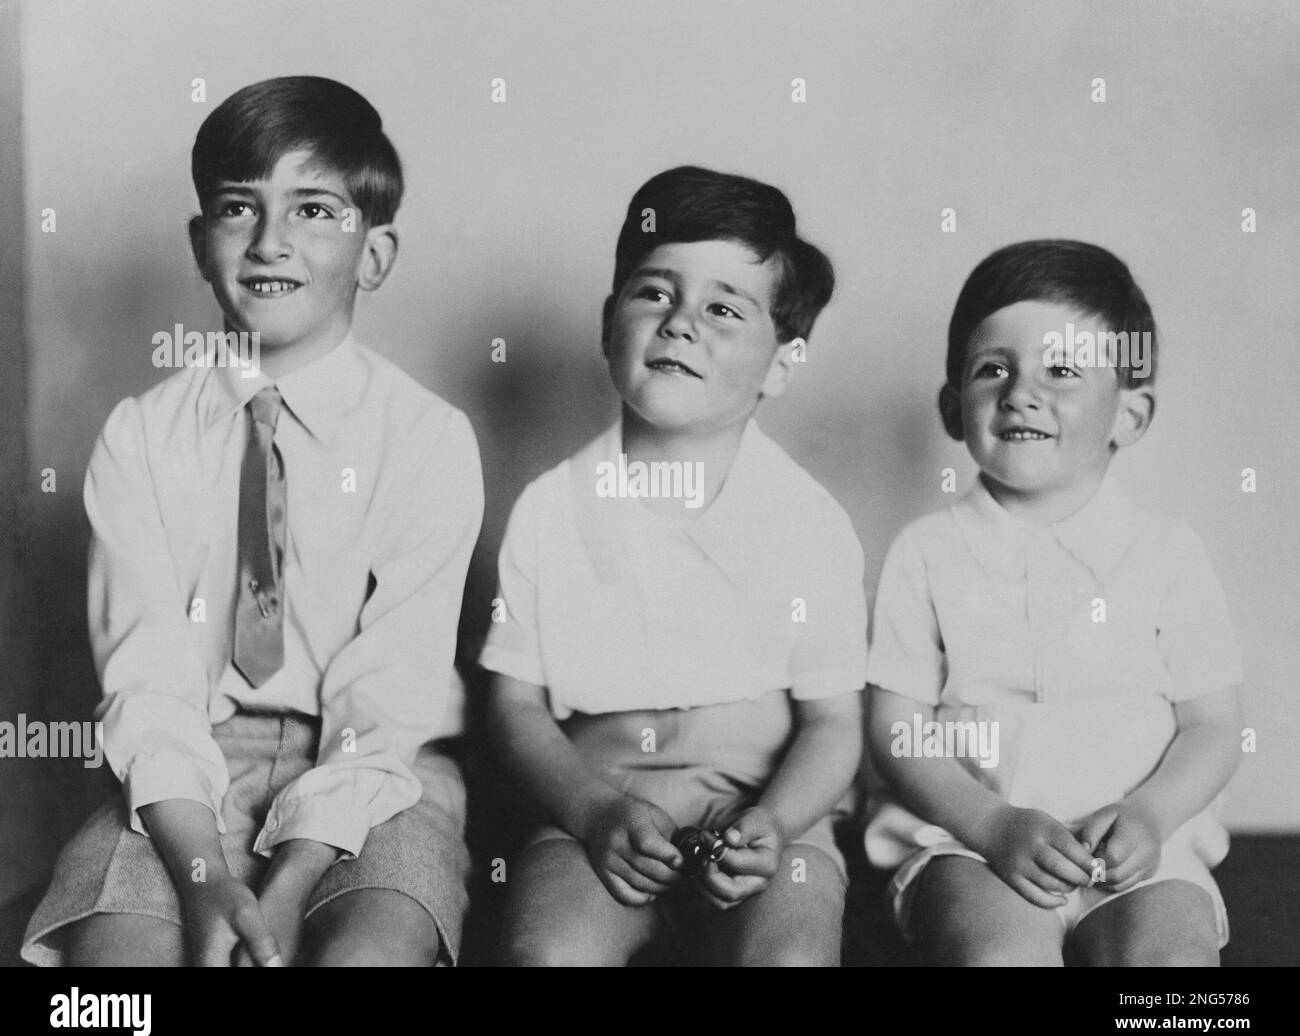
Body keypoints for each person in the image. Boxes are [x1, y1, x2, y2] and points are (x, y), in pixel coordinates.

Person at [23, 76, 483, 967]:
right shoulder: (140, 436)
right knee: (115, 984)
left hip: (378, 765)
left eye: (314, 209)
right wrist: (204, 879)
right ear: (202, 245)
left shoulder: (427, 439)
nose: (271, 240)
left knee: (362, 957)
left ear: (376, 255)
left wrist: (286, 880)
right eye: (240, 208)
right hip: (184, 769)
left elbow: (387, 701)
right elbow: (150, 688)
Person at [480, 166, 867, 965]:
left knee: (789, 958)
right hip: (599, 810)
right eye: (655, 293)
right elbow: (514, 708)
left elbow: (834, 723)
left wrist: (780, 823)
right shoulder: (553, 509)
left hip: (764, 812)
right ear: (607, 320)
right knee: (547, 953)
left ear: (783, 362)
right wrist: (590, 811)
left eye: (724, 308)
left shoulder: (811, 523)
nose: (680, 324)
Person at [865, 240, 1243, 966]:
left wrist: (1151, 815)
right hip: (972, 845)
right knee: (995, 958)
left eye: (1062, 369)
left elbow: (1214, 725)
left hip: (1139, 851)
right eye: (992, 368)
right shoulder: (926, 550)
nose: (1021, 391)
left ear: (1129, 415)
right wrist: (991, 825)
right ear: (954, 408)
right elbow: (896, 727)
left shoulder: (1168, 551)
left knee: (1173, 973)